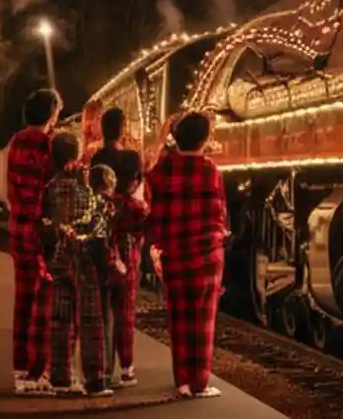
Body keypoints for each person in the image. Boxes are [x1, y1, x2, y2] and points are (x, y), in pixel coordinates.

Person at [145, 111, 229, 399]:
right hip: (207, 255)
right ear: (205, 139)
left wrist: (156, 247)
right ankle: (200, 383)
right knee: (203, 320)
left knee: (178, 317)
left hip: (175, 253)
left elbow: (153, 213)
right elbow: (220, 213)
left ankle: (181, 381)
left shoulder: (160, 171)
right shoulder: (211, 171)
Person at [41, 137, 119, 397]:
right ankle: (94, 380)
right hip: (83, 262)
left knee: (60, 320)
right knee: (90, 320)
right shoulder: (83, 190)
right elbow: (95, 221)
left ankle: (60, 378)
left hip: (59, 260)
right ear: (75, 157)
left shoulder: (51, 187)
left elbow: (47, 221)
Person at [6, 88, 61, 395]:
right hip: (42, 232)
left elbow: (12, 189)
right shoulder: (48, 146)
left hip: (18, 229)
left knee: (22, 301)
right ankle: (38, 373)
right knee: (44, 304)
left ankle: (19, 370)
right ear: (51, 114)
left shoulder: (15, 141)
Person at [89, 107, 149, 387]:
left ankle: (103, 369)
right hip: (127, 244)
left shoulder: (97, 158)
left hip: (101, 242)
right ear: (123, 129)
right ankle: (126, 369)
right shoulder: (132, 158)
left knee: (102, 308)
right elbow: (141, 194)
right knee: (125, 308)